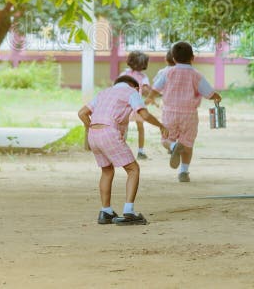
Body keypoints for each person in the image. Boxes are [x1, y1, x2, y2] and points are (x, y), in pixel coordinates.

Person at [78, 75, 168, 226]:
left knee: (107, 171)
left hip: (93, 134)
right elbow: (144, 114)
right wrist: (161, 126)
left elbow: (82, 113)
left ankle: (105, 211)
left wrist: (92, 128)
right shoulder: (132, 93)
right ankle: (129, 211)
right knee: (133, 169)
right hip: (110, 132)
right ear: (135, 87)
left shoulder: (103, 93)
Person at [151, 41, 221, 183]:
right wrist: (217, 96)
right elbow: (208, 92)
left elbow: (155, 89)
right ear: (192, 58)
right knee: (188, 144)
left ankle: (172, 146)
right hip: (189, 115)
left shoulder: (167, 72)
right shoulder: (196, 75)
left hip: (170, 113)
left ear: (174, 58)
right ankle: (183, 171)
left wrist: (148, 99)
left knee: (165, 139)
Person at [121, 51, 151, 160]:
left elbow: (117, 86)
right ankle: (141, 151)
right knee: (140, 128)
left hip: (124, 104)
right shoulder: (143, 77)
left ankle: (121, 150)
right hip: (137, 105)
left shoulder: (124, 74)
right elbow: (147, 90)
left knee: (123, 127)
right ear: (144, 64)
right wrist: (151, 96)